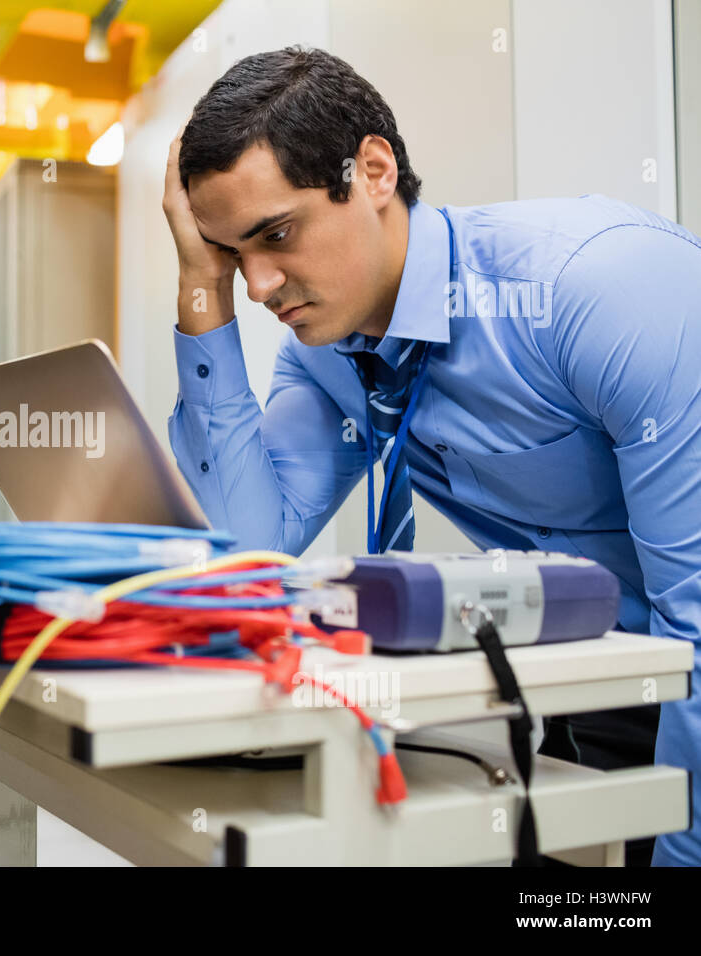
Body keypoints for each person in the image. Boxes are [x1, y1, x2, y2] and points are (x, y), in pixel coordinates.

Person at [163, 46, 701, 866]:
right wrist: (201, 293)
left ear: (373, 170)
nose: (262, 283)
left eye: (276, 234)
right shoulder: (326, 350)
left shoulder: (599, 290)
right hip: (603, 684)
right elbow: (242, 554)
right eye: (233, 252)